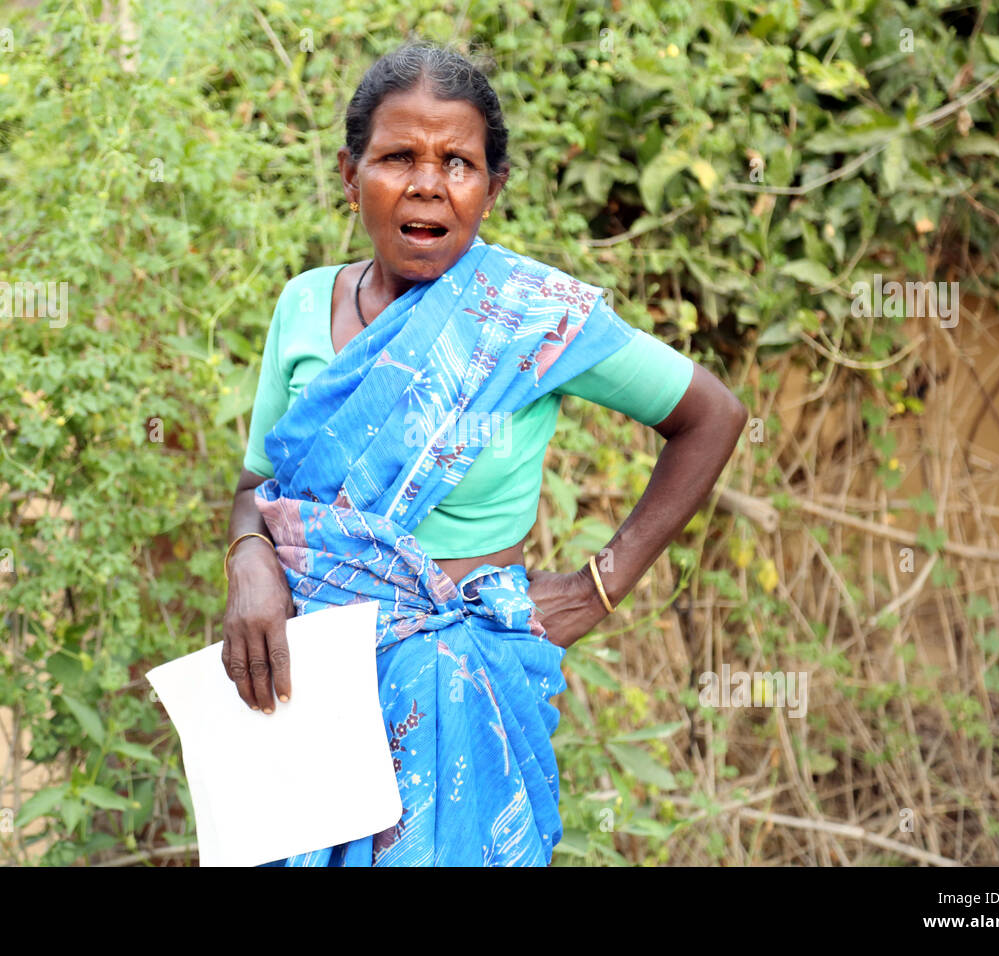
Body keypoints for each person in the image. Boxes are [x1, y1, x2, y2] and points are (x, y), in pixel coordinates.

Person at [222, 41, 747, 866]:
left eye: (457, 162)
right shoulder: (302, 304)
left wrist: (597, 589)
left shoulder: (530, 318)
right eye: (398, 156)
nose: (428, 182)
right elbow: (259, 483)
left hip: (467, 676)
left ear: (491, 189)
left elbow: (711, 416)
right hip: (310, 686)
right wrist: (249, 560)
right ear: (349, 173)